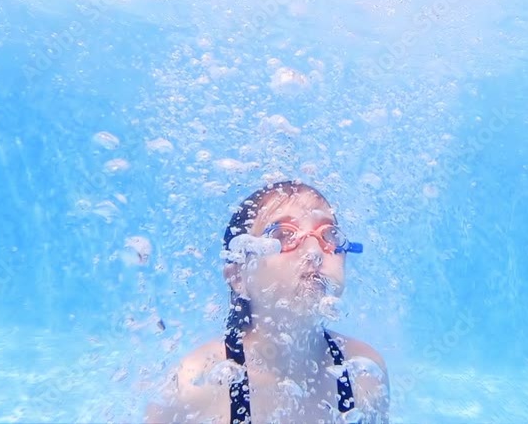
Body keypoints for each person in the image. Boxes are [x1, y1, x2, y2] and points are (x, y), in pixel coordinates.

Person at [145, 180, 390, 423]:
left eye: (329, 234)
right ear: (239, 277)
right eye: (283, 235)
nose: (314, 252)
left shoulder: (364, 373)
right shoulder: (194, 382)